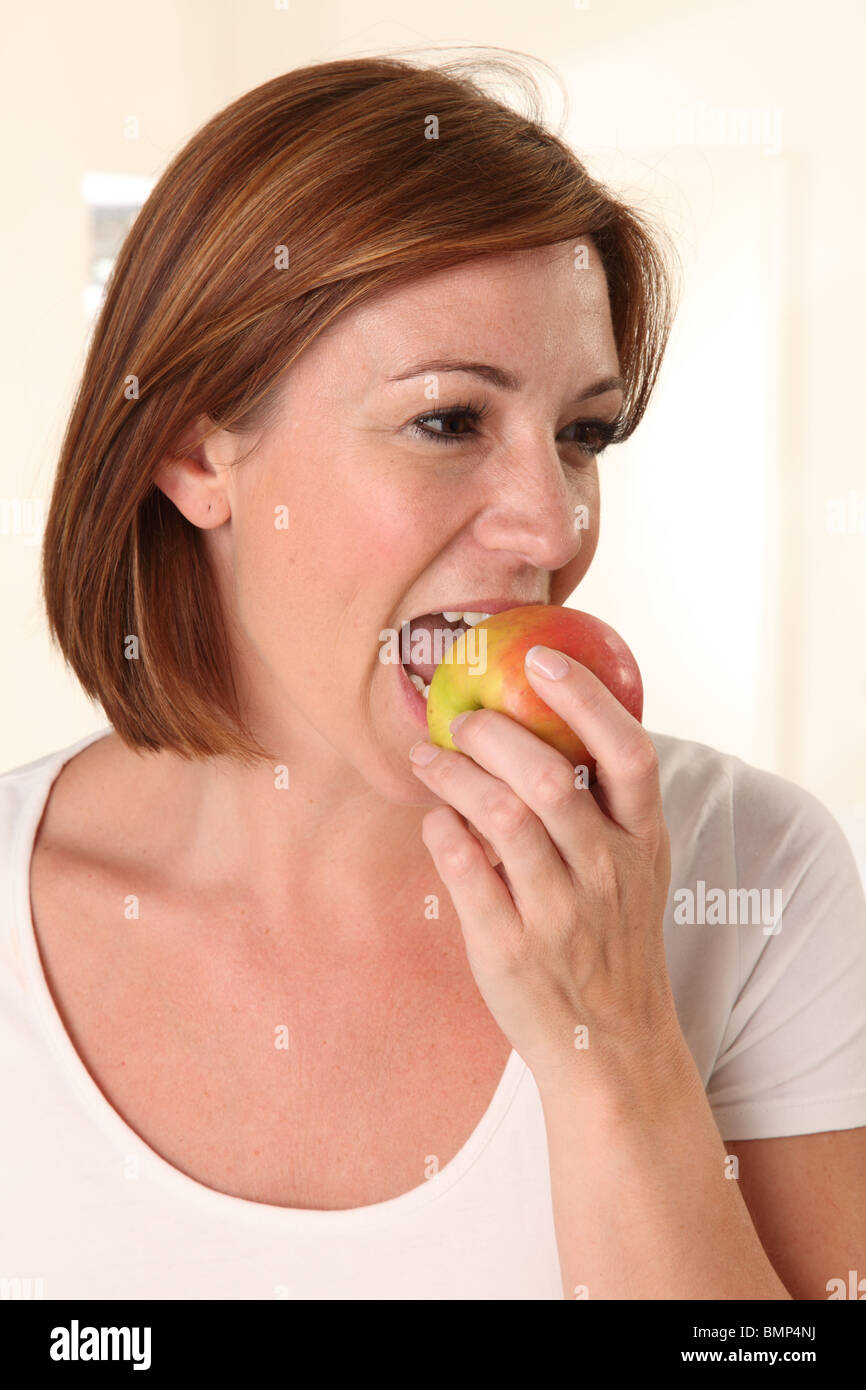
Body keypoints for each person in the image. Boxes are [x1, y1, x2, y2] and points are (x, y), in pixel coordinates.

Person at [2, 50, 865, 1301]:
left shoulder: (753, 875)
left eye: (580, 435)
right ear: (197, 452)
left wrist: (613, 1049)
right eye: (449, 420)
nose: (555, 527)